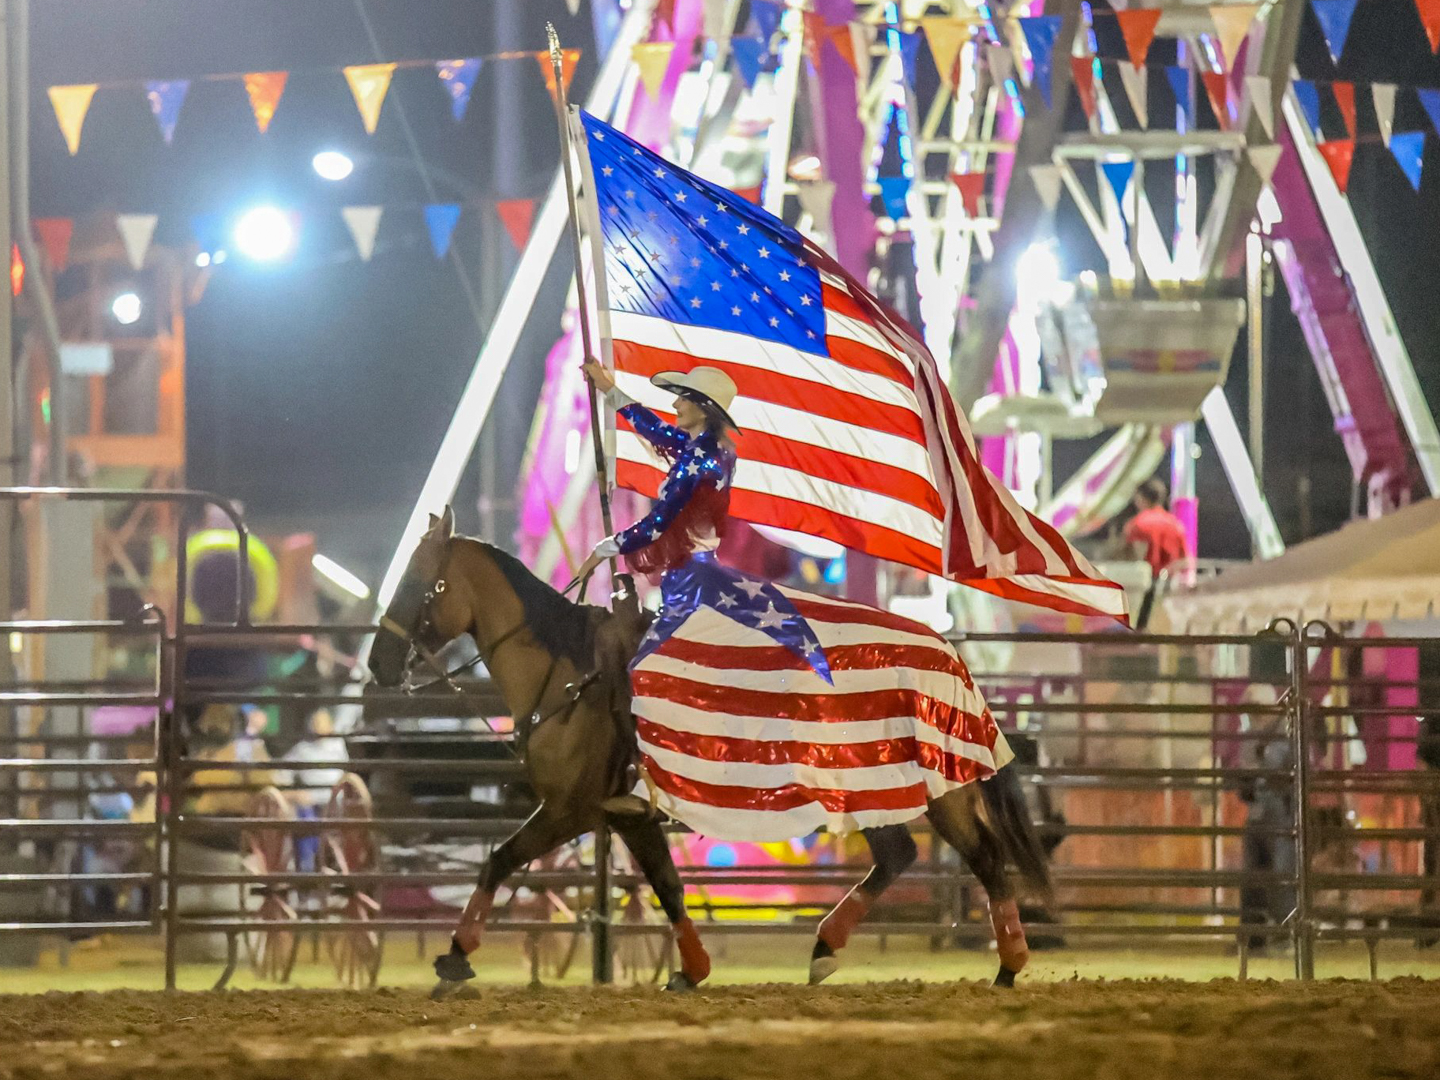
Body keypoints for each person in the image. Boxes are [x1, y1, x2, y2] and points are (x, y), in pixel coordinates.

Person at [1124, 478, 1189, 628]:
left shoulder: (1137, 524)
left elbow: (1133, 556)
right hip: (1168, 589)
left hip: (1141, 590)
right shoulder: (1176, 525)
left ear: (1141, 498)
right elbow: (1185, 560)